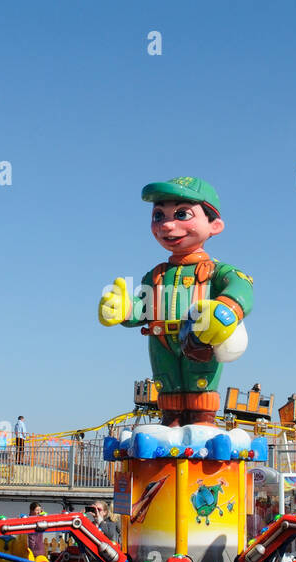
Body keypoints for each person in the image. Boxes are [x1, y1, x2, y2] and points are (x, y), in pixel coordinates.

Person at [98, 178, 253, 426]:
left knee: (199, 382)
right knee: (167, 383)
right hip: (161, 342)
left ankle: (203, 423)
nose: (168, 225)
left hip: (199, 337)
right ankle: (170, 423)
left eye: (182, 214)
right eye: (159, 215)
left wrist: (226, 308)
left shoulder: (216, 271)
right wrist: (123, 308)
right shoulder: (156, 274)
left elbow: (242, 287)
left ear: (215, 225)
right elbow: (143, 307)